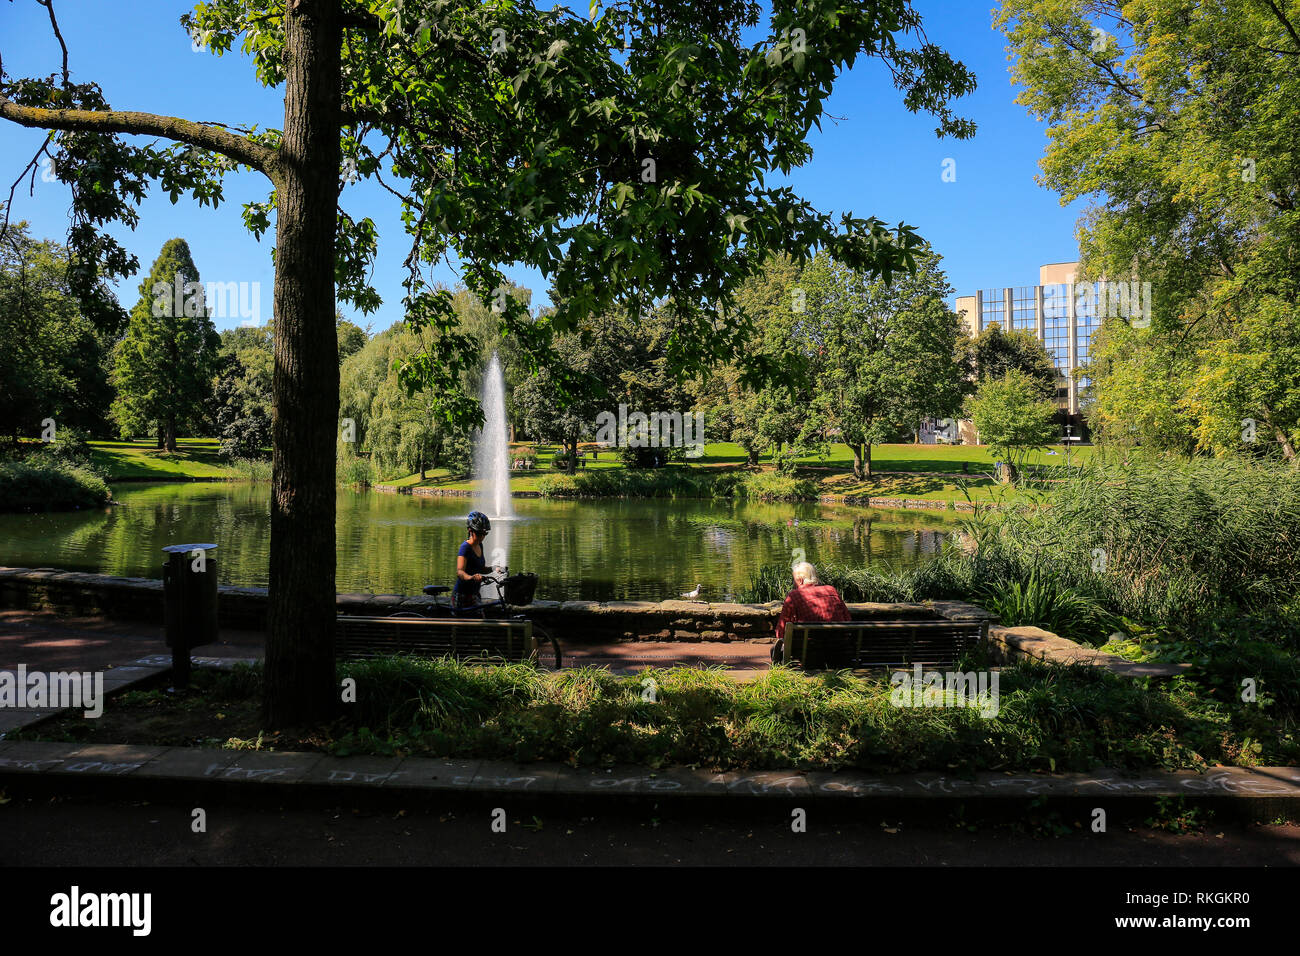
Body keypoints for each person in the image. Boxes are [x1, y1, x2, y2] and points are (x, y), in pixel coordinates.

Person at [771, 561, 851, 664]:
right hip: (839, 651)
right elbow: (847, 618)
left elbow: (781, 632)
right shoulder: (831, 590)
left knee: (774, 651)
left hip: (809, 655)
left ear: (800, 580)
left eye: (794, 579)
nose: (793, 583)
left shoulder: (794, 596)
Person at [454, 511, 492, 609]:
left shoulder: (480, 545)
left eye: (485, 533)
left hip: (475, 594)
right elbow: (460, 572)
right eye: (479, 533)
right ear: (470, 530)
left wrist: (494, 569)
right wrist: (471, 577)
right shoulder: (465, 547)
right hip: (463, 595)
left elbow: (480, 569)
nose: (482, 537)